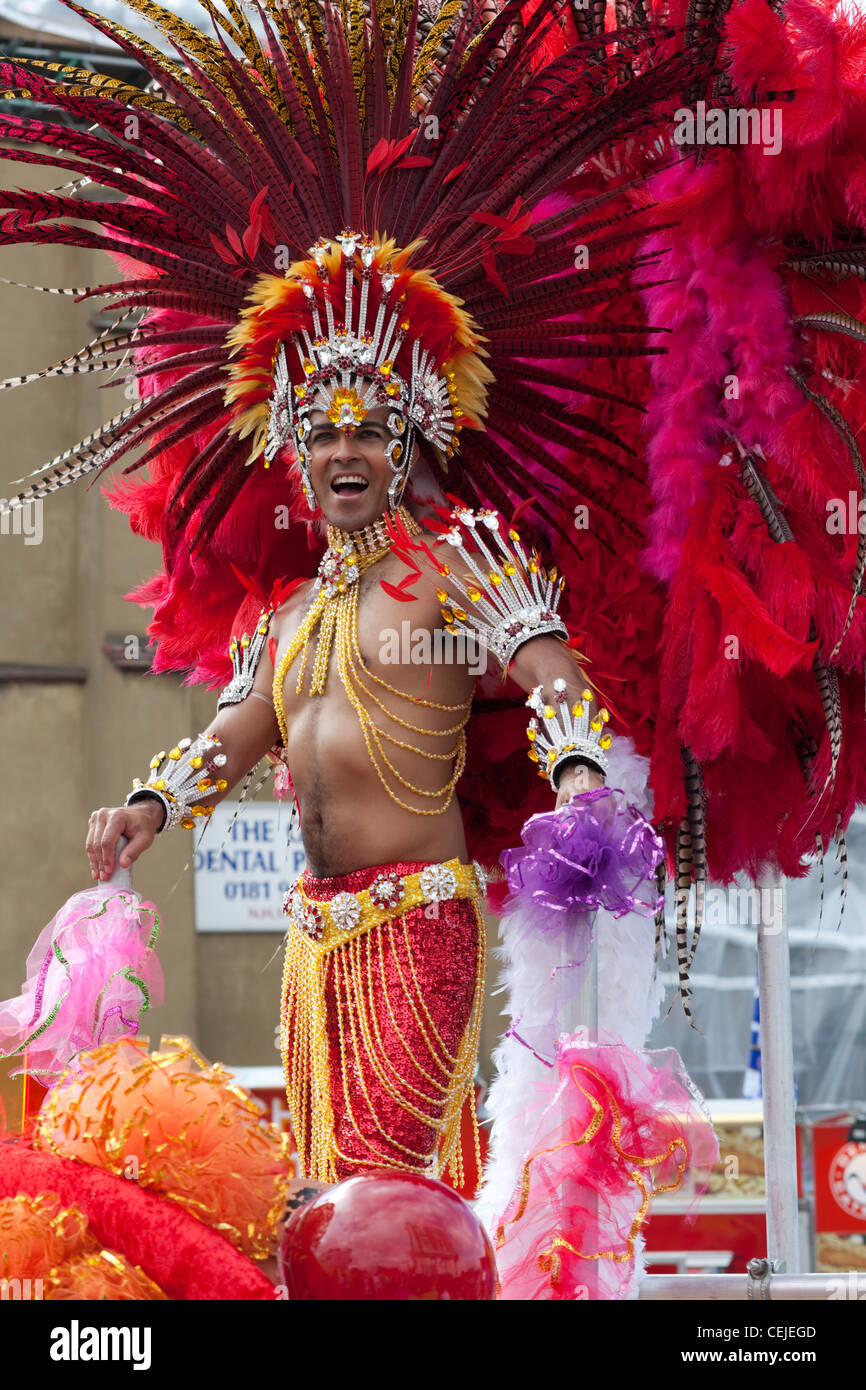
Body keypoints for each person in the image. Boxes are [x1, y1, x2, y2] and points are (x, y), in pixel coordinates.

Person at [85, 385, 607, 1183]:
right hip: (313, 939)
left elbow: (553, 672)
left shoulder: (451, 569)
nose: (344, 451)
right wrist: (151, 805)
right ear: (300, 458)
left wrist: (578, 774)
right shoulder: (285, 615)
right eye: (323, 434)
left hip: (418, 921)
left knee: (386, 1185)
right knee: (330, 1186)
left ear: (406, 451)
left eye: (369, 433)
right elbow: (235, 731)